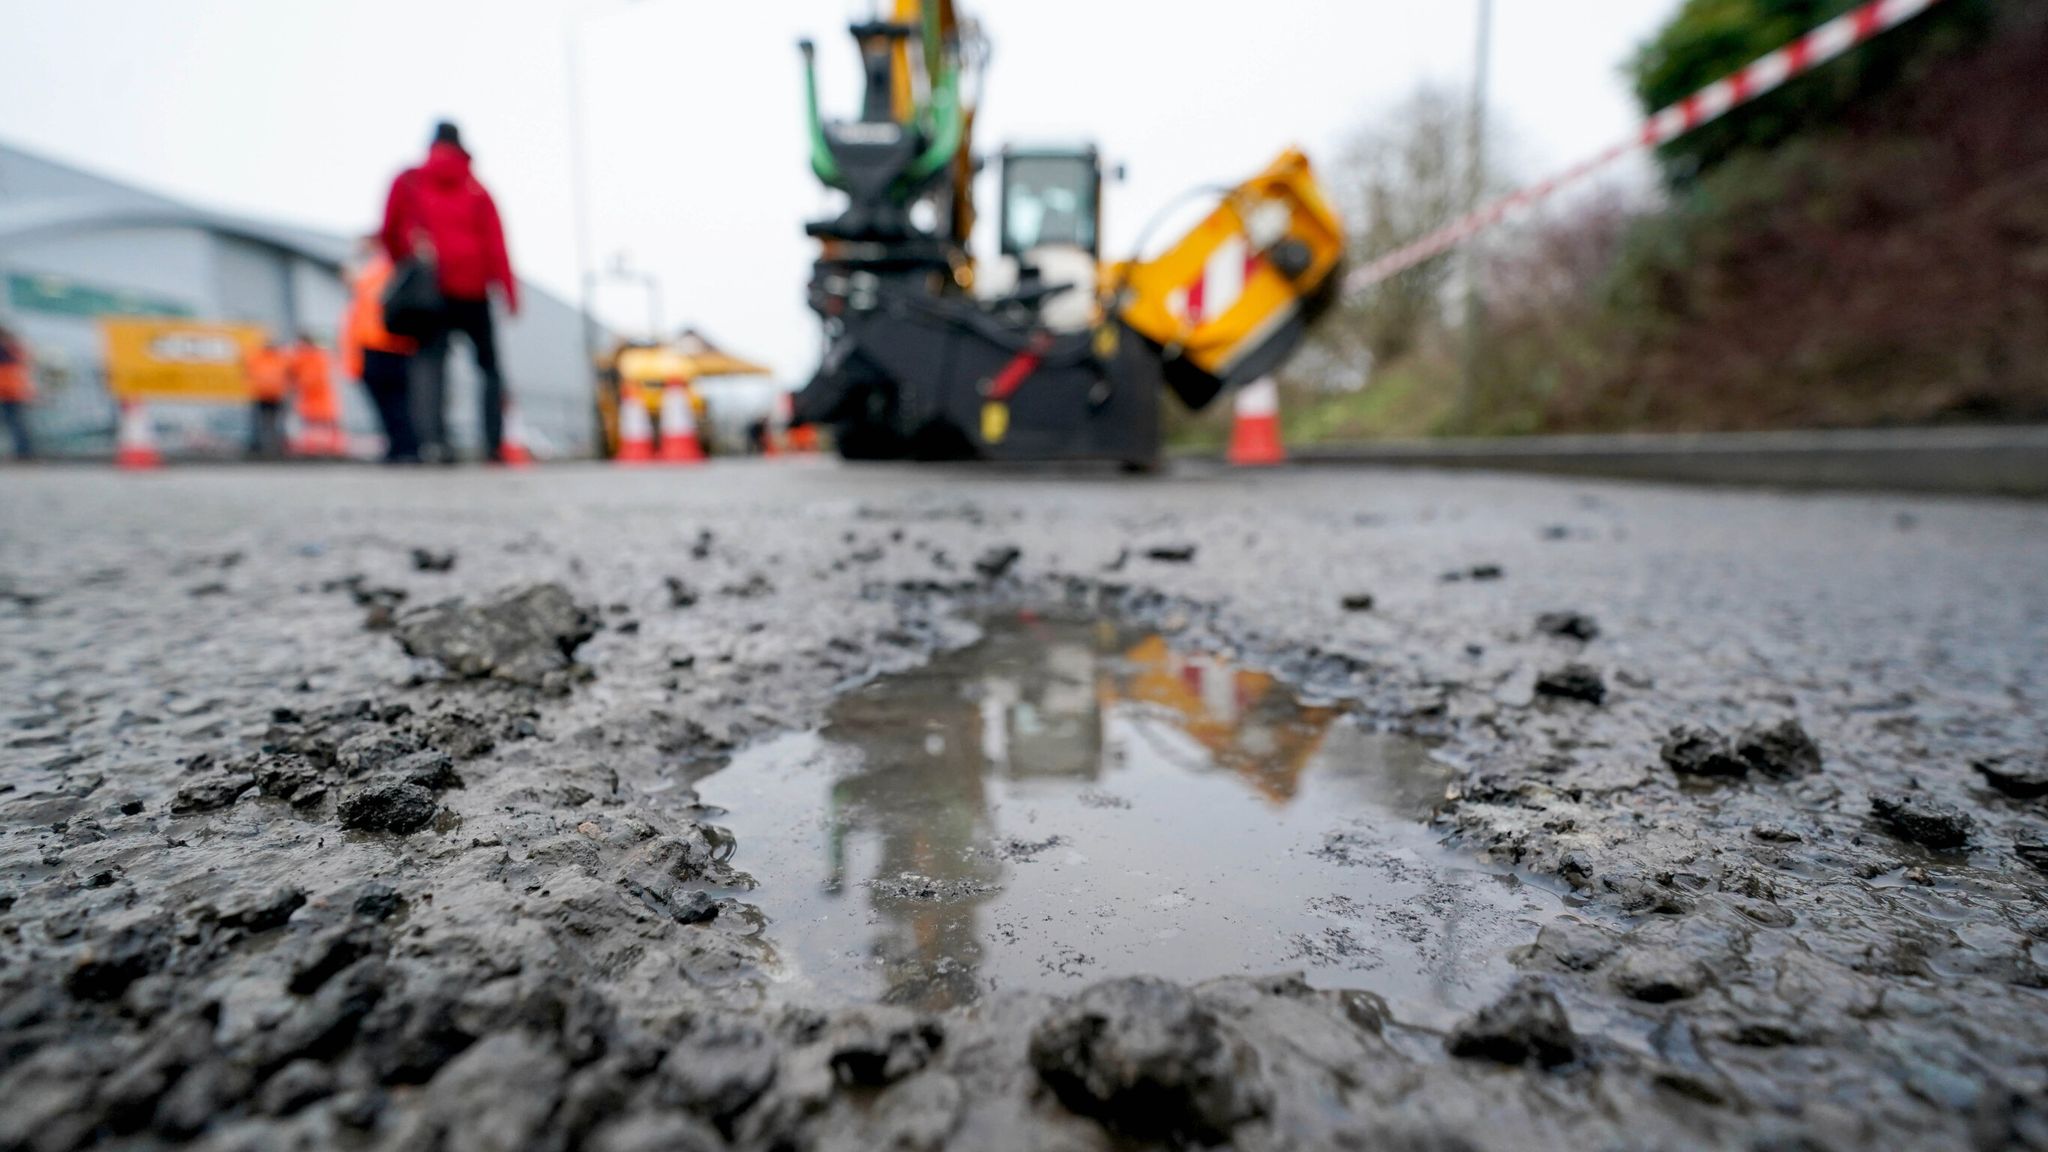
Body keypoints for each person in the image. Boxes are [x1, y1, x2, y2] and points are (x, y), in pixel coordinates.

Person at [380, 120, 518, 463]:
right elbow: (496, 244)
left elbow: (389, 231)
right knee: (489, 368)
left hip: (431, 290)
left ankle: (436, 444)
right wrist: (509, 292)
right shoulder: (477, 189)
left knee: (430, 367)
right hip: (475, 289)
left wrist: (407, 267)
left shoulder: (409, 180)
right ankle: (494, 444)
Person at [339, 237, 419, 462]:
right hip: (370, 344)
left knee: (397, 401)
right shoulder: (371, 270)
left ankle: (407, 448)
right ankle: (397, 446)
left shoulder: (388, 266)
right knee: (386, 401)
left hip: (388, 344)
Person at [245, 339, 290, 459]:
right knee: (269, 423)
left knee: (265, 423)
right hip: (269, 394)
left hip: (268, 394)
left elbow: (247, 370)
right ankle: (270, 446)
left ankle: (265, 446)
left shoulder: (257, 357)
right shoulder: (280, 358)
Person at [0, 323, 33, 460]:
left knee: (15, 423)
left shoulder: (5, 350)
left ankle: (23, 451)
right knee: (17, 423)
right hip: (15, 391)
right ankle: (24, 451)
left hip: (7, 391)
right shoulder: (15, 349)